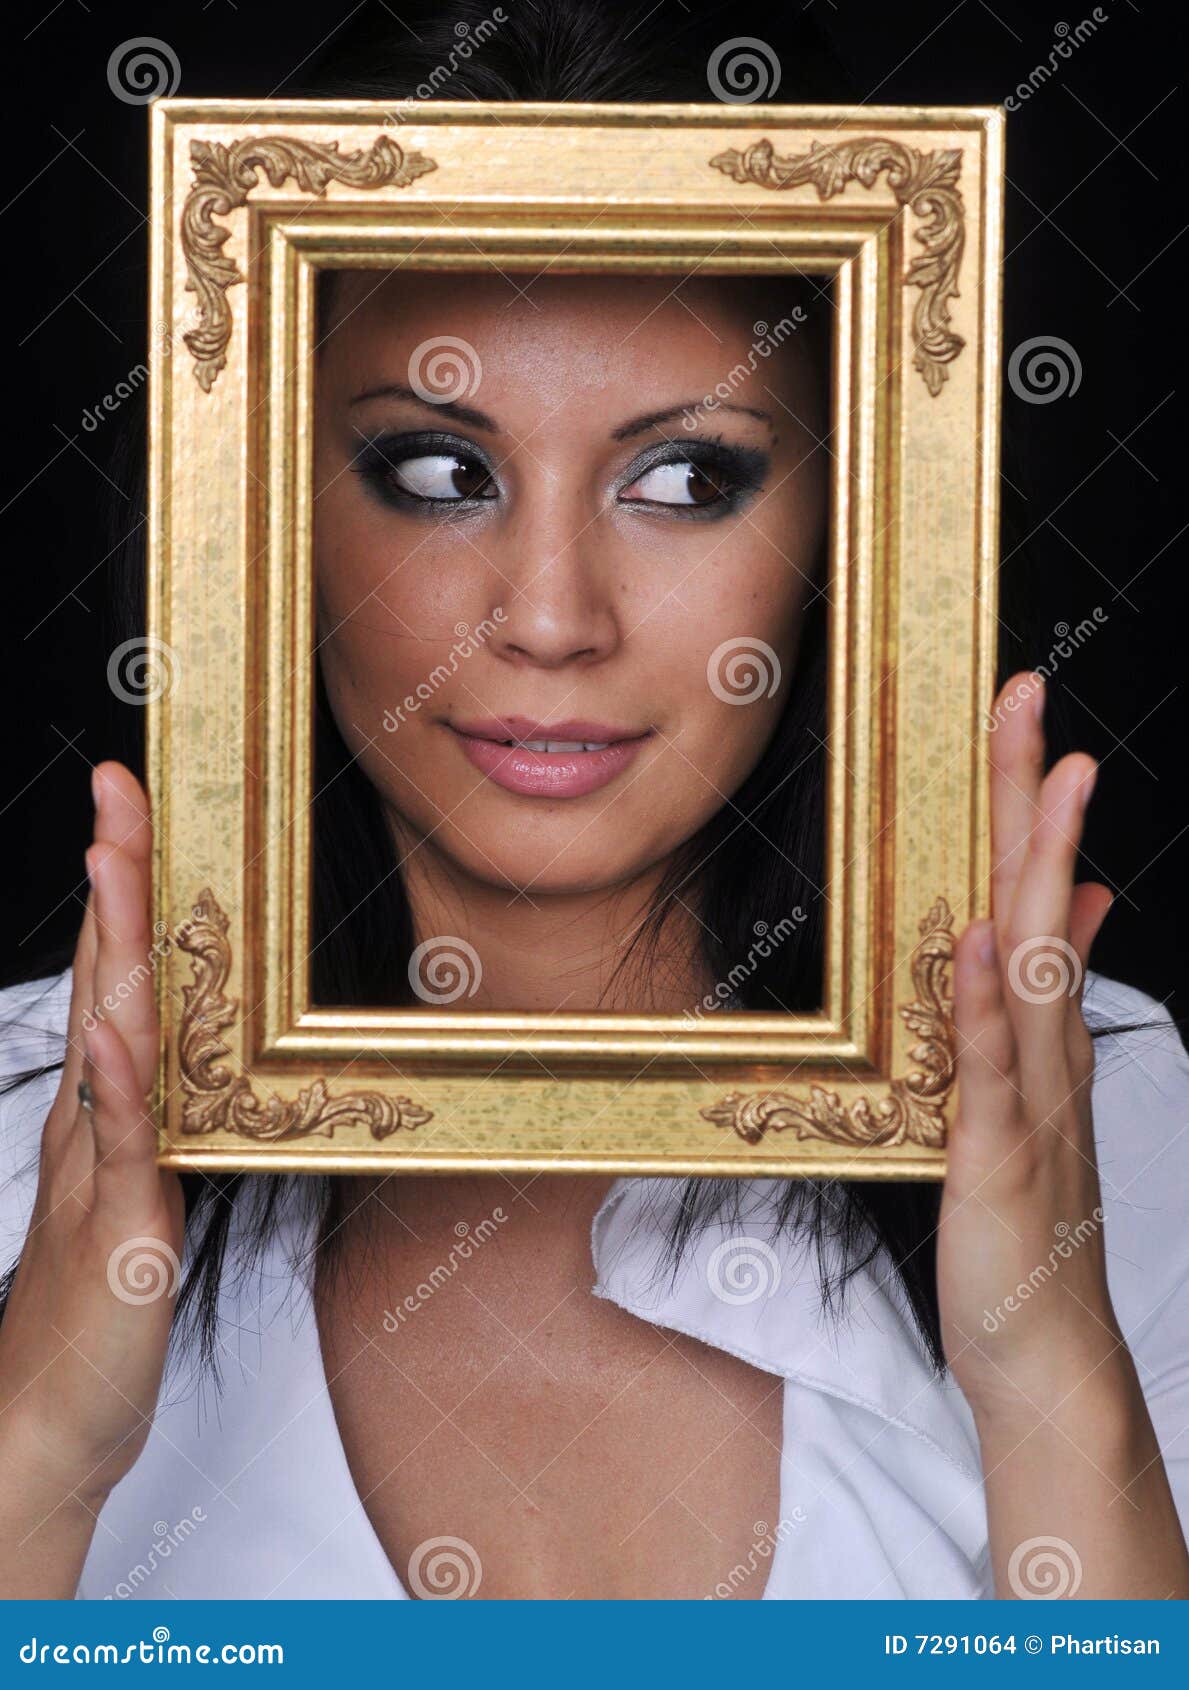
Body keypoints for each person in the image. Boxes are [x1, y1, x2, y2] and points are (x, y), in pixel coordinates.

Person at [1, 0, 1187, 1603]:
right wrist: (41, 1446)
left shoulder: (1113, 1130)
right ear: (260, 503)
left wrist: (1050, 1379)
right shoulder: (21, 1135)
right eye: (435, 471)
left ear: (862, 518)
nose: (550, 616)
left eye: (687, 478)